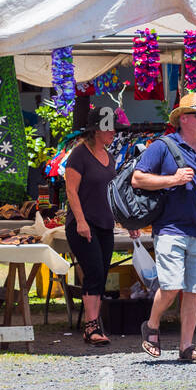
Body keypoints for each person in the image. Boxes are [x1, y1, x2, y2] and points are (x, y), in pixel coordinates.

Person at [131, 91, 196, 362]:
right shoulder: (162, 146)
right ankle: (152, 325)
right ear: (184, 119)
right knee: (171, 286)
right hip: (169, 229)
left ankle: (186, 347)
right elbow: (137, 179)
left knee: (194, 291)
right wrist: (172, 179)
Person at [64, 106, 136, 346]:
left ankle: (93, 325)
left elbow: (113, 193)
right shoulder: (79, 155)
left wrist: (128, 222)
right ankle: (92, 326)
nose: (114, 132)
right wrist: (81, 221)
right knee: (94, 271)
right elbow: (71, 191)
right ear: (96, 130)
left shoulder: (110, 156)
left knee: (101, 274)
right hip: (84, 224)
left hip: (105, 224)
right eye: (109, 128)